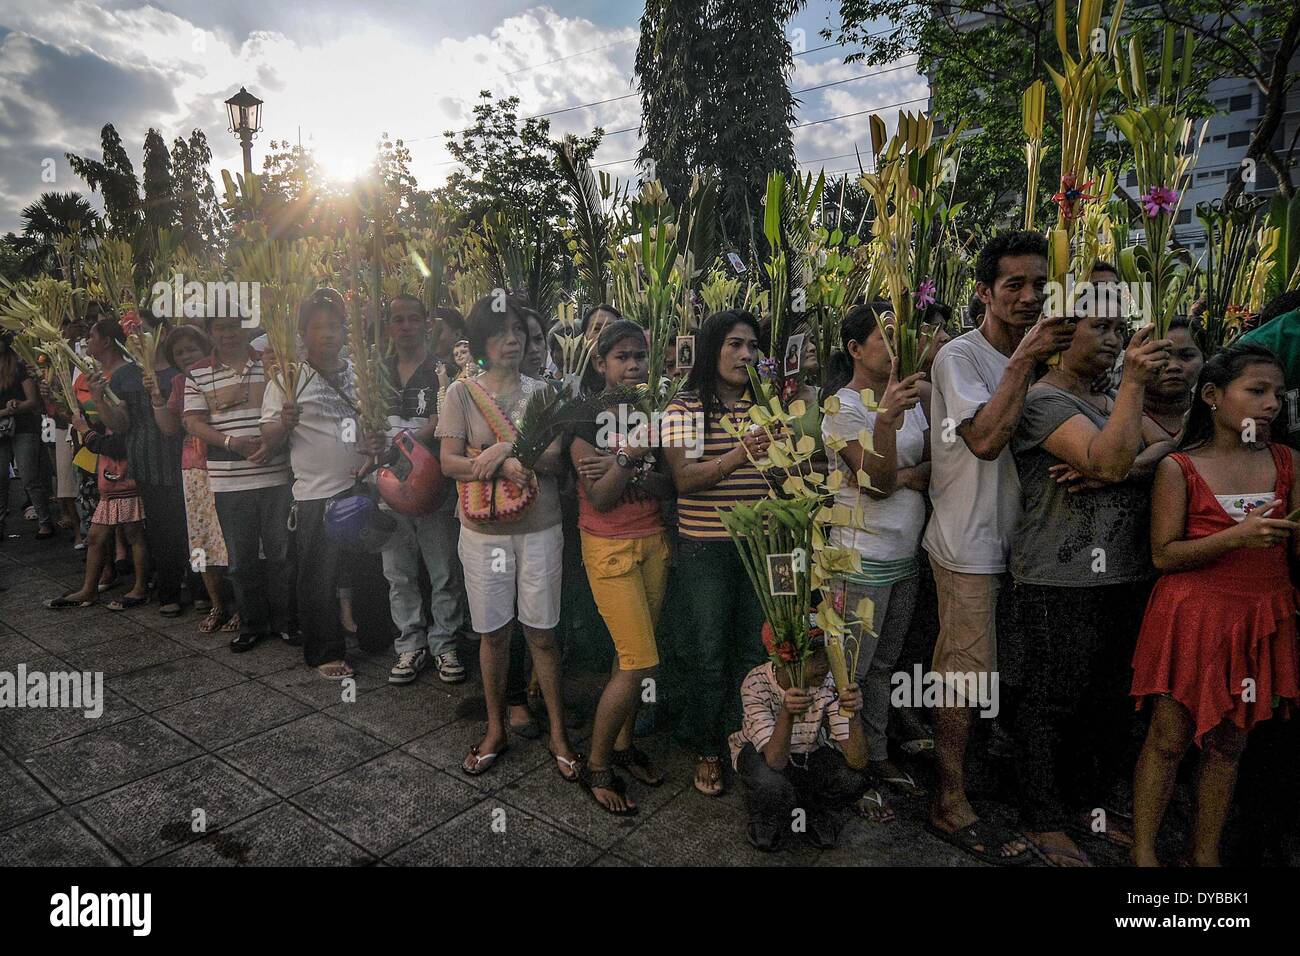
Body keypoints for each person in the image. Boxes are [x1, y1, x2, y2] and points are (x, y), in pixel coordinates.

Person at [921, 230, 1073, 865]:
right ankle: (948, 798)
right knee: (964, 676)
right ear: (983, 292)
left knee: (1011, 677)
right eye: (1014, 285)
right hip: (970, 546)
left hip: (1034, 550)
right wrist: (1024, 361)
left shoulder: (1053, 360)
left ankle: (988, 779)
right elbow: (984, 440)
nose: (1030, 296)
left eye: (1040, 284)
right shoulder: (959, 358)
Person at [1004, 308, 1175, 867]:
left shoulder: (1107, 400)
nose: (1112, 338)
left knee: (1104, 700)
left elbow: (1169, 449)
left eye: (1116, 329)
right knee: (1052, 700)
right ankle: (1042, 817)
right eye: (1097, 328)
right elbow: (1109, 456)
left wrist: (1119, 466)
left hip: (1124, 573)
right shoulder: (1043, 403)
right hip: (1060, 575)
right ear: (1060, 335)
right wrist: (1119, 445)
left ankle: (1084, 804)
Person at [1130, 343, 1300, 867]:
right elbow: (1164, 555)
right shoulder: (1180, 469)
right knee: (1167, 739)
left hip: (1261, 616)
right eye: (1256, 390)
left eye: (1276, 392)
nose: (1271, 403)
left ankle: (1204, 856)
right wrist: (1235, 538)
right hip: (1193, 617)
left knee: (1230, 745)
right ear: (1211, 396)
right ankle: (1143, 855)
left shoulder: (1289, 463)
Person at [437, 293, 581, 779]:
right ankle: (496, 727)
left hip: (540, 529)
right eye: (500, 332)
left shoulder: (544, 392)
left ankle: (559, 733)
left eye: (518, 330)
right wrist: (503, 457)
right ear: (481, 341)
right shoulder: (460, 394)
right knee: (493, 633)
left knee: (542, 632)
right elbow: (449, 462)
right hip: (483, 533)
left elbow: (555, 459)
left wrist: (496, 449)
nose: (512, 340)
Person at [821, 303, 929, 820]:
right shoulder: (841, 408)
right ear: (855, 349)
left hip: (905, 553)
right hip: (858, 556)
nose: (894, 345)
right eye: (884, 337)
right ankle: (850, 768)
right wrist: (896, 467)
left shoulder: (915, 399)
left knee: (884, 665)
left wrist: (896, 476)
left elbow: (935, 468)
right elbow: (877, 482)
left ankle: (878, 755)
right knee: (851, 673)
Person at [661, 309, 772, 797]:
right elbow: (685, 479)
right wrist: (740, 453)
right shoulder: (684, 408)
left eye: (752, 345)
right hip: (707, 548)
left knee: (753, 649)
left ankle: (744, 739)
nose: (746, 354)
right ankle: (707, 745)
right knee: (709, 651)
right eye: (734, 344)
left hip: (762, 546)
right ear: (711, 349)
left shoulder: (770, 405)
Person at [568, 320, 674, 814]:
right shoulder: (584, 417)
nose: (633, 365)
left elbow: (668, 487)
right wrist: (633, 456)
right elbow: (604, 497)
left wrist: (628, 465)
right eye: (622, 357)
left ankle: (624, 745)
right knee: (640, 661)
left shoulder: (656, 411)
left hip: (653, 541)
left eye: (640, 357)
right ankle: (596, 763)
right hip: (609, 547)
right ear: (599, 363)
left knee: (628, 655)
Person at [261, 289, 381, 679]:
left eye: (335, 326)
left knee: (368, 569)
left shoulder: (360, 371)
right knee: (318, 577)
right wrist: (284, 422)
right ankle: (325, 650)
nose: (328, 334)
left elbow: (378, 422)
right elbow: (268, 438)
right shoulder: (288, 379)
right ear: (302, 333)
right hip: (315, 495)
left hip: (362, 486)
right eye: (318, 327)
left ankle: (376, 638)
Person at [185, 312, 295, 652]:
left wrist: (271, 444)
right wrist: (232, 443)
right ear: (210, 333)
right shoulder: (198, 373)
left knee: (281, 554)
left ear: (246, 328)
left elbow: (290, 408)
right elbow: (193, 422)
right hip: (229, 480)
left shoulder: (270, 364)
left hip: (275, 475)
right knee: (241, 559)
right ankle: (251, 623)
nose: (229, 334)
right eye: (220, 328)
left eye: (234, 326)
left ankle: (287, 621)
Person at [379, 294, 466, 685]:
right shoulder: (375, 372)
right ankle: (409, 644)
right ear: (389, 326)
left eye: (414, 318)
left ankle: (445, 644)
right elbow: (367, 420)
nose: (406, 326)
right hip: (388, 484)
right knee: (398, 572)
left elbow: (443, 422)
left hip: (432, 485)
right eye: (398, 319)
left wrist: (405, 444)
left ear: (426, 324)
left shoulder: (442, 371)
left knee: (443, 569)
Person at [44, 318, 149, 610]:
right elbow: (92, 420)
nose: (86, 341)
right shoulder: (97, 374)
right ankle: (89, 588)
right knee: (97, 534)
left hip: (122, 462)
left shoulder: (127, 374)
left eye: (91, 336)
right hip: (105, 461)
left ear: (105, 341)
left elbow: (122, 425)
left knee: (132, 531)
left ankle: (139, 586)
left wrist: (88, 429)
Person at [729, 638, 870, 851]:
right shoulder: (756, 682)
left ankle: (812, 807)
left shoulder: (829, 681)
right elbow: (775, 760)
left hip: (806, 754)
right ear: (785, 659)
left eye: (827, 654)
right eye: (814, 655)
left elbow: (858, 761)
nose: (825, 664)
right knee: (770, 783)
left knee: (852, 779)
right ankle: (766, 817)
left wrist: (854, 714)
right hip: (766, 755)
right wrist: (787, 713)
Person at [95, 313, 187, 616]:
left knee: (189, 527)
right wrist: (99, 399)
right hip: (147, 463)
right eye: (134, 335)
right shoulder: (126, 376)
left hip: (186, 460)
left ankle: (200, 589)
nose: (140, 339)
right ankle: (169, 592)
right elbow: (121, 424)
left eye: (146, 332)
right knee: (161, 531)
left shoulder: (181, 368)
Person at [149, 324, 233, 633]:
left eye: (192, 349)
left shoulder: (221, 372)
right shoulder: (178, 382)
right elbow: (170, 429)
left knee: (228, 538)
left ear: (206, 347)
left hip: (224, 464)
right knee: (201, 538)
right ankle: (217, 604)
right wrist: (157, 398)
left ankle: (239, 604)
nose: (186, 356)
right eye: (179, 352)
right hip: (193, 468)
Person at [0, 332, 55, 539]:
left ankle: (45, 520)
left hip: (24, 426)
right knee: (1, 478)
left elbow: (32, 401)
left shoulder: (18, 366)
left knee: (29, 476)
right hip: (8, 422)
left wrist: (17, 406)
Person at [1142, 317, 1203, 440]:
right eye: (1161, 356)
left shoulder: (1217, 418)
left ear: (1205, 358)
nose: (1173, 367)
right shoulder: (1113, 415)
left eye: (1187, 356)